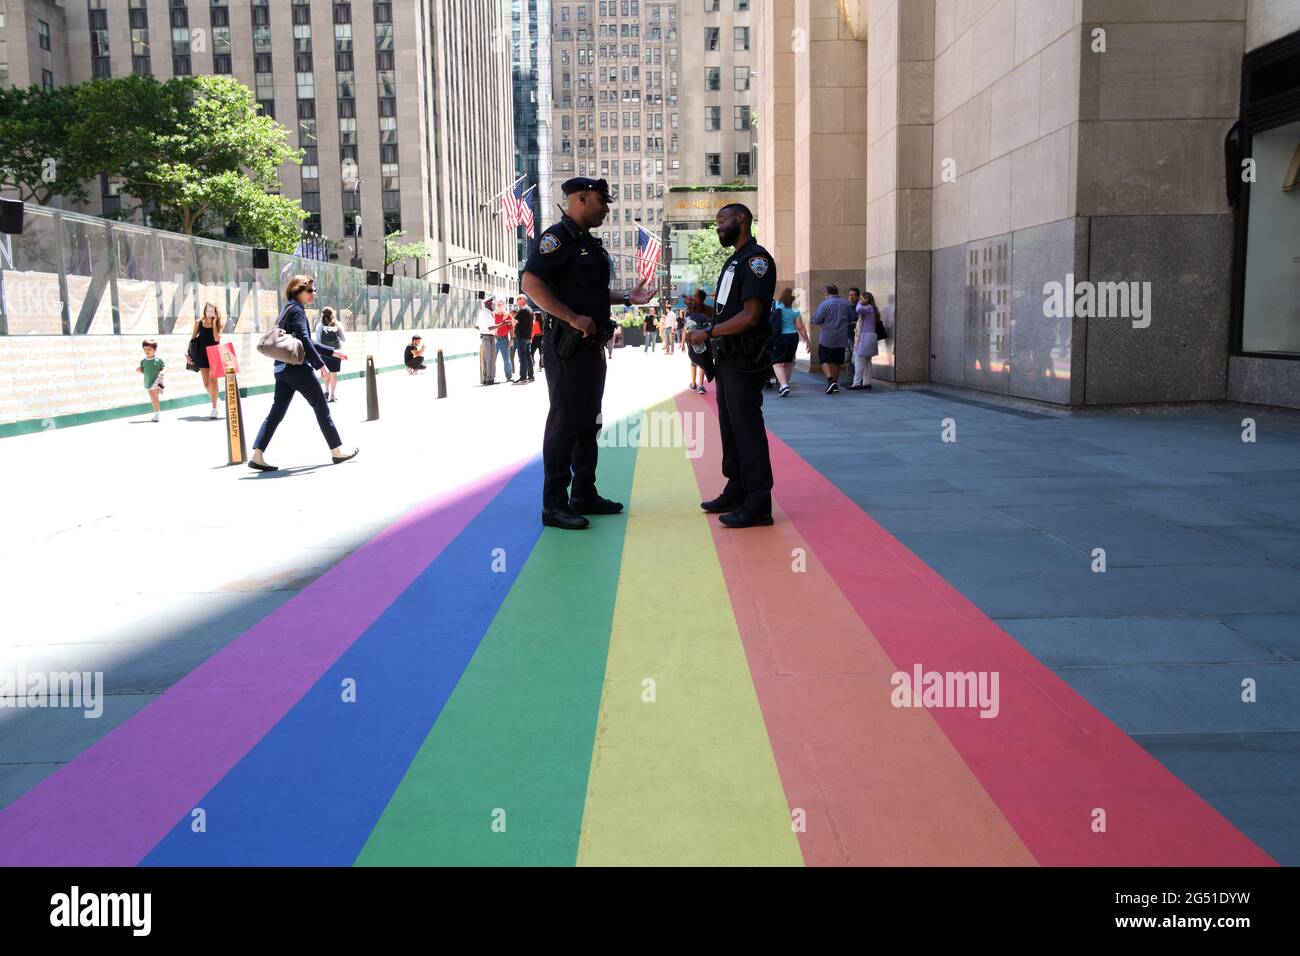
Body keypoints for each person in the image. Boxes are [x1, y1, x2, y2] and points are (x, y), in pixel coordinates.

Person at [521, 175, 653, 530]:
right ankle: (554, 505)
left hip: (591, 348)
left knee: (588, 422)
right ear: (581, 198)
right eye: (602, 201)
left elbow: (590, 294)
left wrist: (627, 297)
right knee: (564, 423)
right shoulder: (556, 238)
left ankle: (583, 494)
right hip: (566, 347)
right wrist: (571, 317)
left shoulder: (589, 245)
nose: (606, 208)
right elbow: (531, 283)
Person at [683, 203, 777, 529]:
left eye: (721, 219)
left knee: (747, 429)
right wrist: (705, 311)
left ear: (741, 219)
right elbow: (730, 315)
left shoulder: (757, 261)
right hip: (727, 359)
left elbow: (751, 316)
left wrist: (707, 330)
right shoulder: (735, 261)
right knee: (731, 429)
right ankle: (736, 488)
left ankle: (758, 503)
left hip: (744, 359)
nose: (717, 226)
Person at [249, 274, 358, 472]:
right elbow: (305, 341)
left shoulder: (287, 309)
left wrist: (332, 352)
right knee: (321, 407)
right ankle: (337, 452)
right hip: (297, 369)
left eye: (314, 290)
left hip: (281, 368)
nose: (313, 294)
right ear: (297, 290)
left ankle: (257, 455)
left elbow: (303, 340)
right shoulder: (298, 311)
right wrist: (320, 365)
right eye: (309, 290)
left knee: (276, 412)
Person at [810, 284, 855, 394]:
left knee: (824, 360)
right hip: (842, 337)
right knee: (837, 362)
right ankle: (835, 383)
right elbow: (851, 319)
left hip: (827, 337)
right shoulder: (846, 304)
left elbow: (816, 320)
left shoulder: (825, 304)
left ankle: (831, 382)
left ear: (827, 293)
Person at [770, 288, 810, 398]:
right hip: (793, 337)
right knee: (787, 362)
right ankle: (784, 386)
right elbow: (800, 327)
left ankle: (783, 385)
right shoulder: (795, 309)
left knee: (777, 363)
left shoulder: (776, 305)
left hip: (780, 337)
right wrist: (807, 341)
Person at [190, 302, 223, 419]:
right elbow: (193, 338)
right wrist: (188, 354)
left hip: (214, 352)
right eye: (208, 310)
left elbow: (216, 338)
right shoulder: (199, 322)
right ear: (204, 310)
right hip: (201, 353)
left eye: (212, 310)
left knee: (214, 381)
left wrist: (214, 323)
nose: (209, 312)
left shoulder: (218, 323)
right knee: (206, 384)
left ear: (215, 312)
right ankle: (216, 399)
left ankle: (214, 408)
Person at [849, 291, 880, 390]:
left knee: (859, 359)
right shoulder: (872, 309)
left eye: (862, 298)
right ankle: (866, 382)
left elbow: (858, 309)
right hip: (870, 336)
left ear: (867, 299)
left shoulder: (868, 308)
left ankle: (856, 383)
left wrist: (859, 303)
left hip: (866, 337)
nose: (860, 300)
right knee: (867, 361)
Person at [683, 289, 711, 395]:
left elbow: (686, 327)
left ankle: (696, 384)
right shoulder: (705, 311)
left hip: (694, 340)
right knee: (701, 362)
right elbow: (709, 324)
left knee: (694, 362)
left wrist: (683, 342)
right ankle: (700, 385)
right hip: (701, 339)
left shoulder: (690, 312)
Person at [316, 307, 345, 401]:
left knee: (326, 372)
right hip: (336, 352)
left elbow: (318, 341)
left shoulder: (320, 326)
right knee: (333, 374)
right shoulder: (338, 325)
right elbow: (344, 339)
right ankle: (332, 395)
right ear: (333, 314)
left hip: (324, 352)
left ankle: (326, 390)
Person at [137, 338, 165, 422]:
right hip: (148, 382)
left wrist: (163, 372)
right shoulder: (143, 361)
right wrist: (140, 370)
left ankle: (157, 414)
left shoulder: (158, 360)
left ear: (155, 349)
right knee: (153, 398)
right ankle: (156, 413)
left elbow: (164, 368)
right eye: (145, 349)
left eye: (149, 349)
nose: (147, 351)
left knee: (155, 397)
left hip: (157, 381)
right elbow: (145, 371)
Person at [514, 294, 536, 383]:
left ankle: (523, 377)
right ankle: (531, 376)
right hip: (527, 336)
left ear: (523, 299)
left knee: (522, 357)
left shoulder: (523, 310)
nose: (517, 301)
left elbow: (514, 321)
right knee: (528, 356)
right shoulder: (530, 310)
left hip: (521, 336)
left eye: (518, 299)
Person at [476, 296, 498, 384]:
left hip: (489, 336)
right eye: (492, 303)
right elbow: (490, 327)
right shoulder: (484, 313)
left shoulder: (487, 313)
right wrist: (502, 324)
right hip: (487, 336)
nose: (493, 305)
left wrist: (483, 329)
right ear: (488, 304)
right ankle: (489, 379)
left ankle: (488, 378)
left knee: (489, 358)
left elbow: (477, 325)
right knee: (489, 359)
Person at [494, 296, 515, 382]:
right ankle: (492, 377)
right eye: (498, 304)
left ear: (504, 305)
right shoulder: (492, 314)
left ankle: (508, 376)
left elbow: (511, 328)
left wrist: (512, 339)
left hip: (504, 339)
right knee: (492, 360)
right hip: (494, 339)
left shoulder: (508, 316)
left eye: (501, 304)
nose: (499, 306)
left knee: (506, 360)